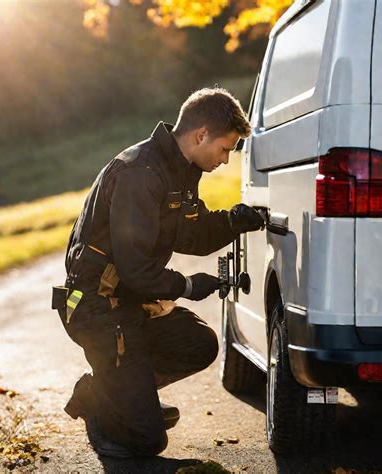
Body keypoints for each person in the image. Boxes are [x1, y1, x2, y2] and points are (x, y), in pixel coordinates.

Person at [51, 87, 265, 458]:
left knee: (199, 342)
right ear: (201, 135)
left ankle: (130, 397)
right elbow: (135, 270)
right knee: (148, 441)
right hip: (98, 310)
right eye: (225, 148)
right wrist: (186, 284)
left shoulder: (179, 170)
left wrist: (233, 222)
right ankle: (103, 397)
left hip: (129, 306)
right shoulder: (140, 172)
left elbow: (190, 232)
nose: (226, 160)